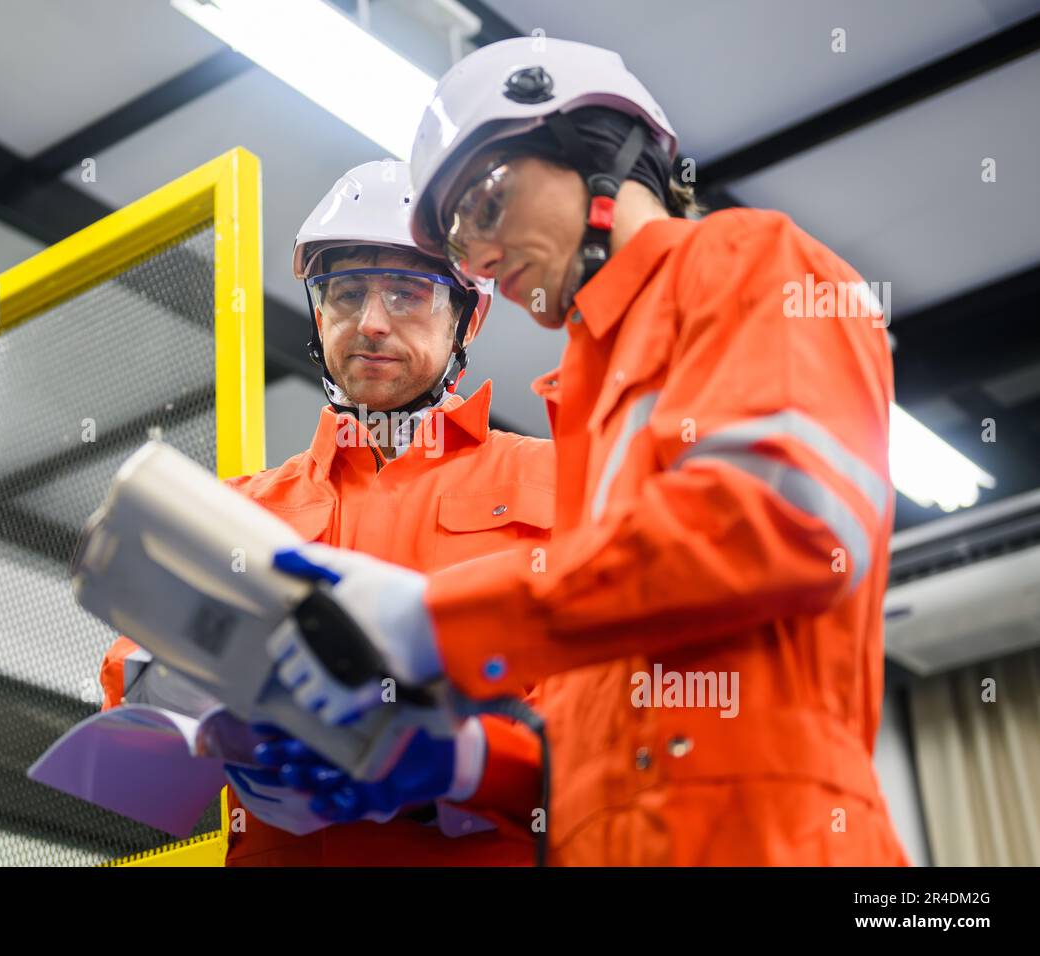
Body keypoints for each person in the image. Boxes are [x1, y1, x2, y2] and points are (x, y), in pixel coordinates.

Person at [264, 39, 910, 866]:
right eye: (461, 243)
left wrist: (439, 620)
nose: (483, 259)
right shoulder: (587, 408)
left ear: (598, 146)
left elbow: (780, 521)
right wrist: (466, 763)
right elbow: (600, 694)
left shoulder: (751, 265)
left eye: (486, 206)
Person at [99, 160, 553, 866]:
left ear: (469, 314)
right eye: (345, 293)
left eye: (407, 293)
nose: (371, 323)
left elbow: (614, 727)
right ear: (319, 312)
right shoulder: (238, 510)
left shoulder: (561, 486)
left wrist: (462, 769)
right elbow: (130, 734)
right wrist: (213, 727)